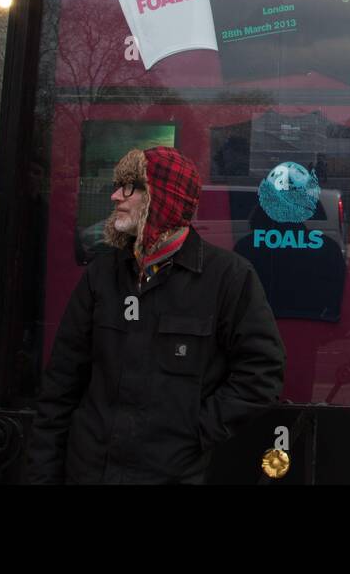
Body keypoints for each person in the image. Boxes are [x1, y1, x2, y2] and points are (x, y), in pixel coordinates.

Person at [27, 146, 285, 484]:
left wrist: (196, 431)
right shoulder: (102, 274)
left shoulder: (228, 277)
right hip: (89, 471)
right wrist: (42, 475)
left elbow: (262, 374)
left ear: (163, 197)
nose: (116, 195)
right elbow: (61, 384)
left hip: (171, 474)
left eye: (131, 186)